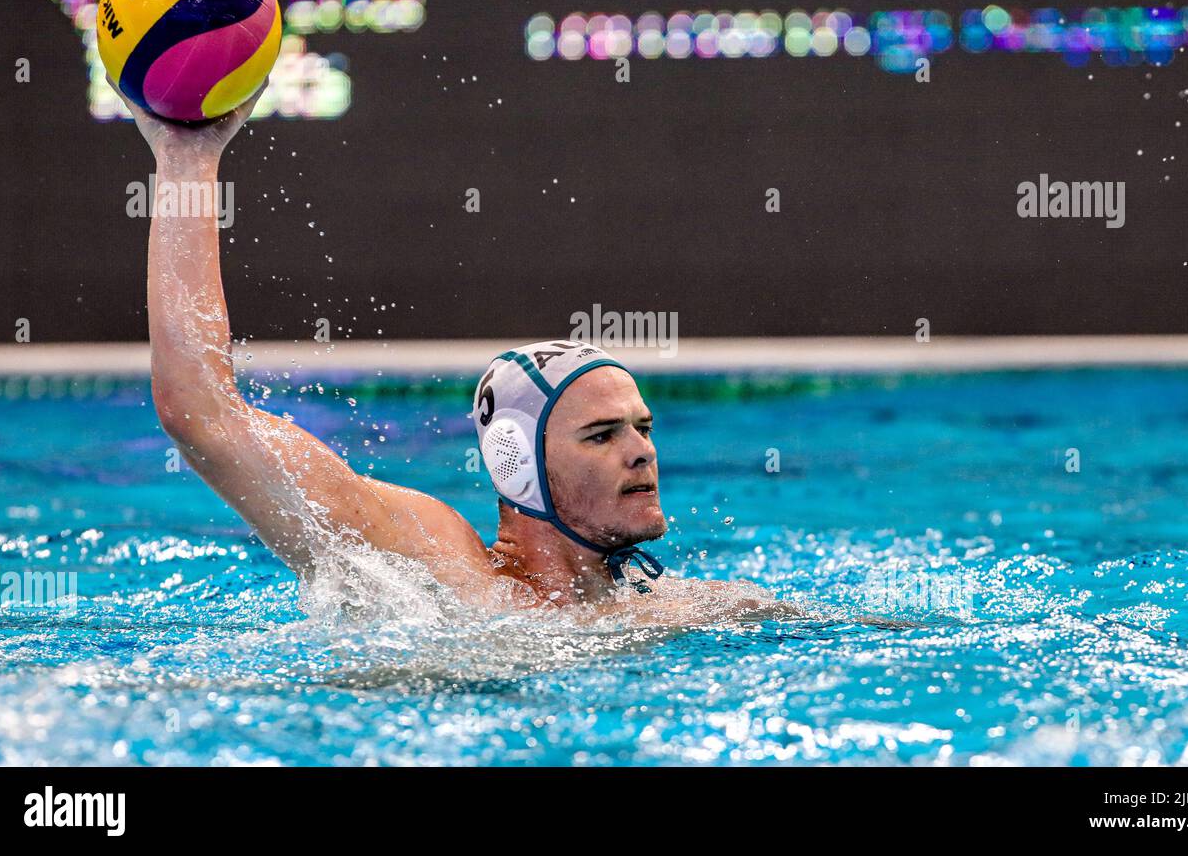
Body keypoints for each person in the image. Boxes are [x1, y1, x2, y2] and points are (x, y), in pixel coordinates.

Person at [116, 80, 801, 623]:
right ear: (516, 462)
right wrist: (188, 157)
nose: (642, 450)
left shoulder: (686, 609)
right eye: (601, 434)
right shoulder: (438, 569)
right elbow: (201, 415)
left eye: (642, 428)